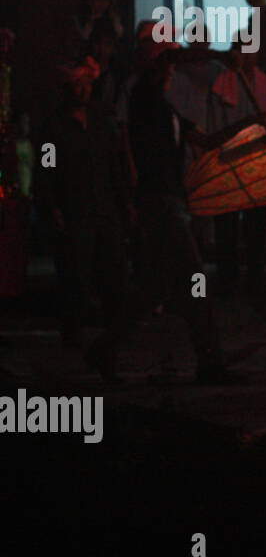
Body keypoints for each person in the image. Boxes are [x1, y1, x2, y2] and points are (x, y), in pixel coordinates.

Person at [127, 37, 246, 385]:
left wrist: (250, 124)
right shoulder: (142, 100)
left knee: (158, 288)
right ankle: (211, 361)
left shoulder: (166, 109)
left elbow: (207, 142)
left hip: (171, 203)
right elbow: (178, 54)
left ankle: (105, 346)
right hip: (160, 204)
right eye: (168, 61)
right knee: (195, 281)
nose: (173, 68)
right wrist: (220, 56)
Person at [35, 57, 132, 381]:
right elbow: (46, 170)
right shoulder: (54, 126)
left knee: (112, 270)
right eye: (77, 84)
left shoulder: (100, 122)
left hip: (103, 207)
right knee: (75, 273)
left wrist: (124, 202)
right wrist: (52, 207)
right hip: (75, 208)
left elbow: (114, 165)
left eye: (86, 84)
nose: (83, 90)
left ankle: (112, 331)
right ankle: (73, 331)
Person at [209, 47, 266, 298]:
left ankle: (255, 282)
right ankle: (227, 282)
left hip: (258, 164)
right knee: (227, 226)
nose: (248, 56)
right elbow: (215, 124)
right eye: (243, 50)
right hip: (229, 162)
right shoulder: (221, 83)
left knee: (256, 227)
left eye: (253, 51)